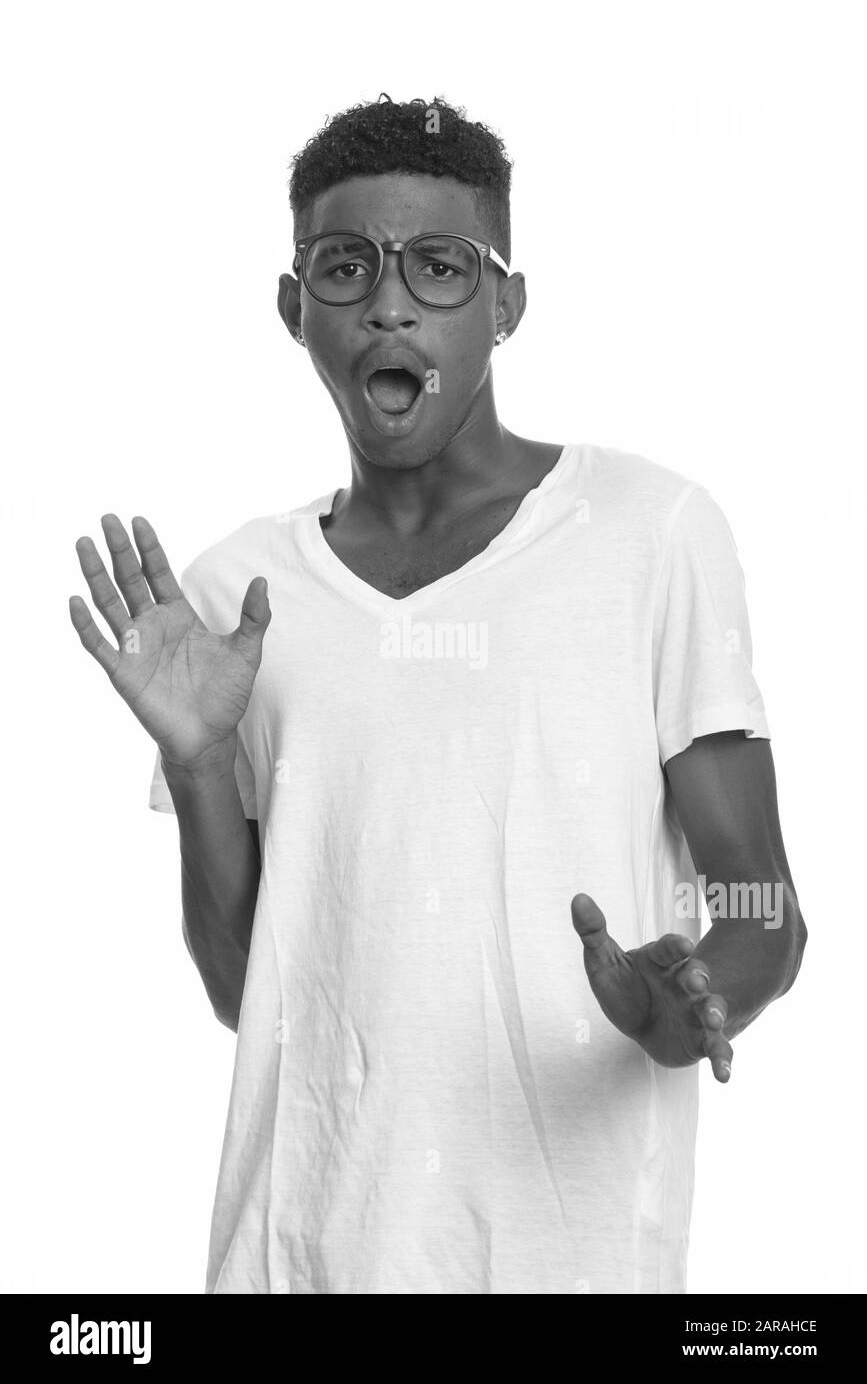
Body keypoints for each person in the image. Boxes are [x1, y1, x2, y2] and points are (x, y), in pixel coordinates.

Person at [69, 94, 807, 1295]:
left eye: (442, 265)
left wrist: (684, 997)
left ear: (507, 304)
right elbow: (243, 987)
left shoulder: (648, 530)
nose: (392, 302)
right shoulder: (233, 596)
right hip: (294, 1254)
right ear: (292, 306)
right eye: (346, 266)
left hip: (568, 1260)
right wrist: (204, 767)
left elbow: (761, 898)